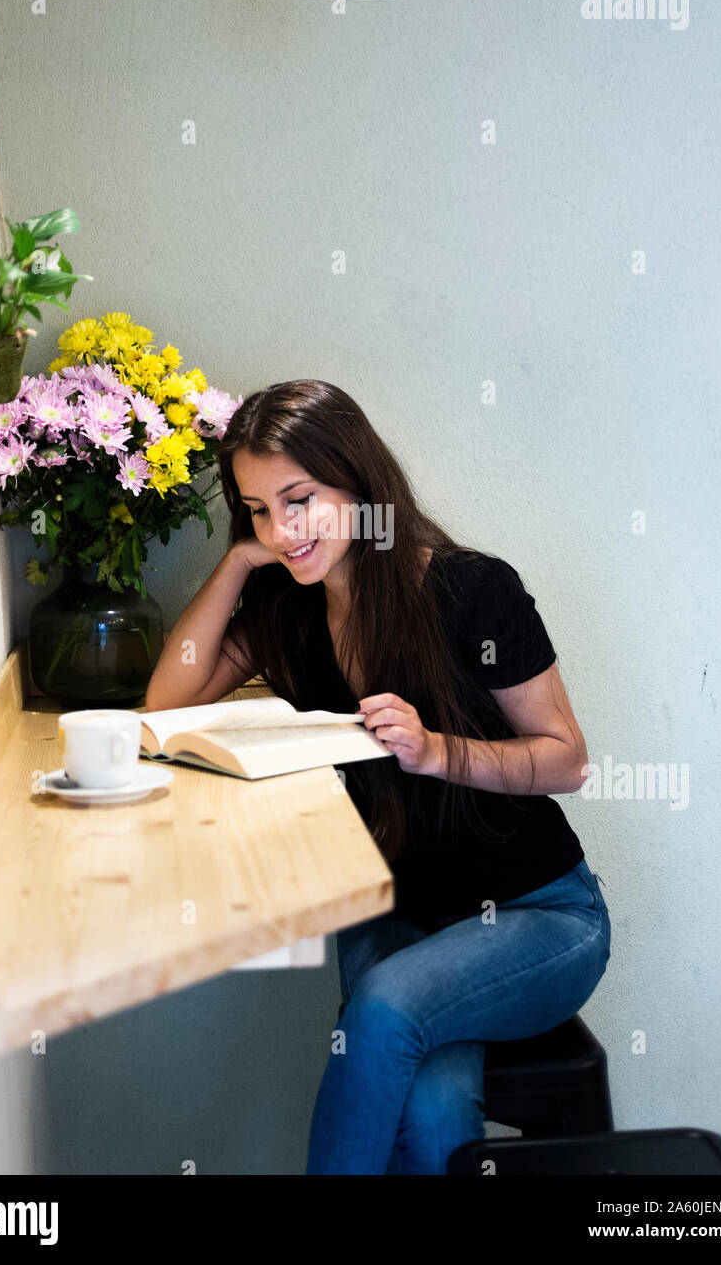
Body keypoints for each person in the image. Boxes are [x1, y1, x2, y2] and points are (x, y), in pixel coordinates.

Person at [145, 378, 611, 1175]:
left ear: (357, 480)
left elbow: (566, 758)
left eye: (300, 499)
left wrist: (437, 750)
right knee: (430, 1119)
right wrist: (236, 563)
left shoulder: (471, 590)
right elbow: (168, 699)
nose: (282, 530)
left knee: (388, 1008)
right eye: (258, 509)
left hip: (542, 919)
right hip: (396, 914)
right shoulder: (288, 610)